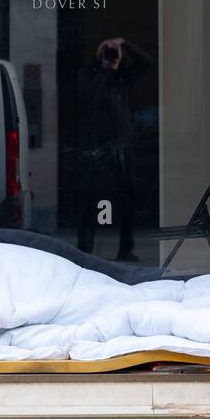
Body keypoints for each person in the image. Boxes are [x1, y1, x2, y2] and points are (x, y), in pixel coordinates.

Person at [76, 36, 151, 262]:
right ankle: (84, 248)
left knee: (128, 198)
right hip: (96, 148)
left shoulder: (123, 79)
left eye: (114, 55)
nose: (112, 58)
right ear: (99, 57)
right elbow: (87, 93)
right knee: (89, 198)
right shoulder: (90, 76)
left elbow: (146, 62)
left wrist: (125, 44)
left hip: (121, 147)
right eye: (108, 54)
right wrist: (101, 65)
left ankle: (125, 248)